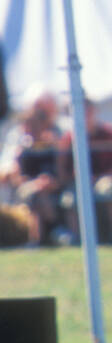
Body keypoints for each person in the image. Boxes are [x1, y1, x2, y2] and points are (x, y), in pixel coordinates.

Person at [57, 96, 112, 244]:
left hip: (106, 179)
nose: (85, 114)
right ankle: (76, 238)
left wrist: (111, 175)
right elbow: (62, 168)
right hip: (79, 182)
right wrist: (76, 178)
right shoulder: (69, 138)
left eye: (88, 110)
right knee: (69, 199)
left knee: (110, 190)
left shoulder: (108, 133)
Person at [0, 88, 65, 244]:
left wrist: (53, 181)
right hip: (27, 188)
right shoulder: (21, 146)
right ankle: (49, 233)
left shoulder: (58, 137)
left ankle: (51, 235)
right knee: (37, 196)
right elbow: (14, 172)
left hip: (54, 187)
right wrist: (34, 182)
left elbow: (63, 166)